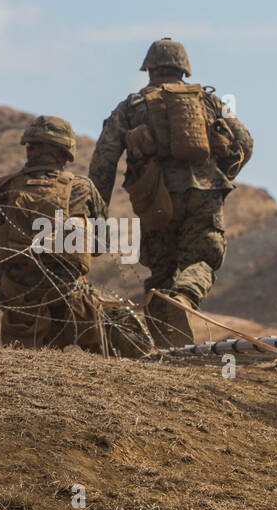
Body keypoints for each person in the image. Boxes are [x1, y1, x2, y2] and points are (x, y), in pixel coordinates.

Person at [89, 37, 253, 347]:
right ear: (184, 70)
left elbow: (104, 161)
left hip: (156, 197)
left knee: (161, 266)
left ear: (149, 69)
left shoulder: (131, 106)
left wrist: (98, 220)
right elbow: (245, 142)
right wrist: (222, 176)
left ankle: (163, 345)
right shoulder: (212, 102)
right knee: (203, 257)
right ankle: (184, 299)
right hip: (205, 193)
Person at [0, 116, 149, 356]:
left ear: (29, 150)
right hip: (71, 300)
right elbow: (99, 246)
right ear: (65, 155)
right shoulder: (82, 188)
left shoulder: (4, 187)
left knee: (21, 362)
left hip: (21, 302)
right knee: (125, 329)